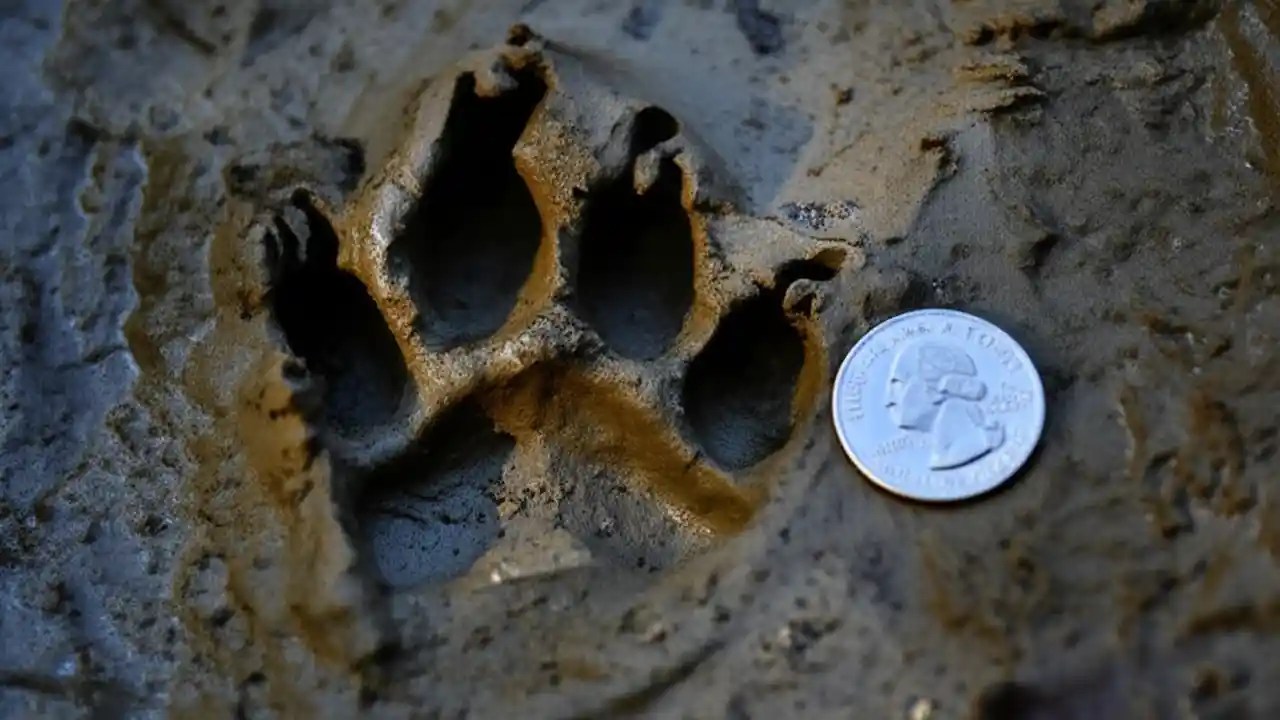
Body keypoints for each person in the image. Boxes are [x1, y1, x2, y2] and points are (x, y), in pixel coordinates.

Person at [885, 342, 1005, 470]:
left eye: (898, 384)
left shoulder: (977, 443)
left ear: (934, 391)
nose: (888, 401)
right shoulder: (950, 452)